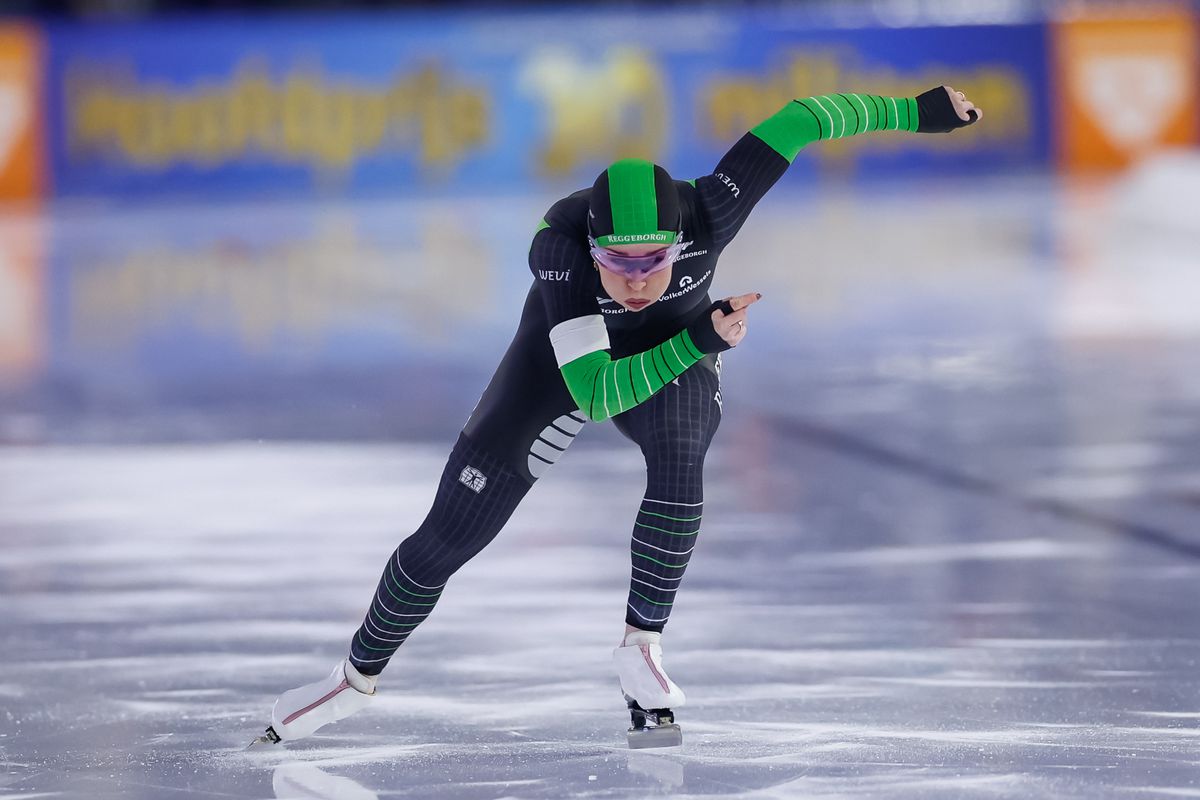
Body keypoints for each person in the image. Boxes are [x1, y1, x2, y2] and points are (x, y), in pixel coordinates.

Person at [252, 85, 982, 748]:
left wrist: (919, 111)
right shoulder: (559, 250)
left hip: (674, 357)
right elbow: (598, 394)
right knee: (445, 542)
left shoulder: (714, 208)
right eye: (619, 264)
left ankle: (641, 646)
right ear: (591, 248)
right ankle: (353, 679)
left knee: (680, 457)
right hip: (561, 370)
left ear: (681, 241)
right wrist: (702, 334)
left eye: (654, 263)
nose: (636, 281)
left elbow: (806, 119)